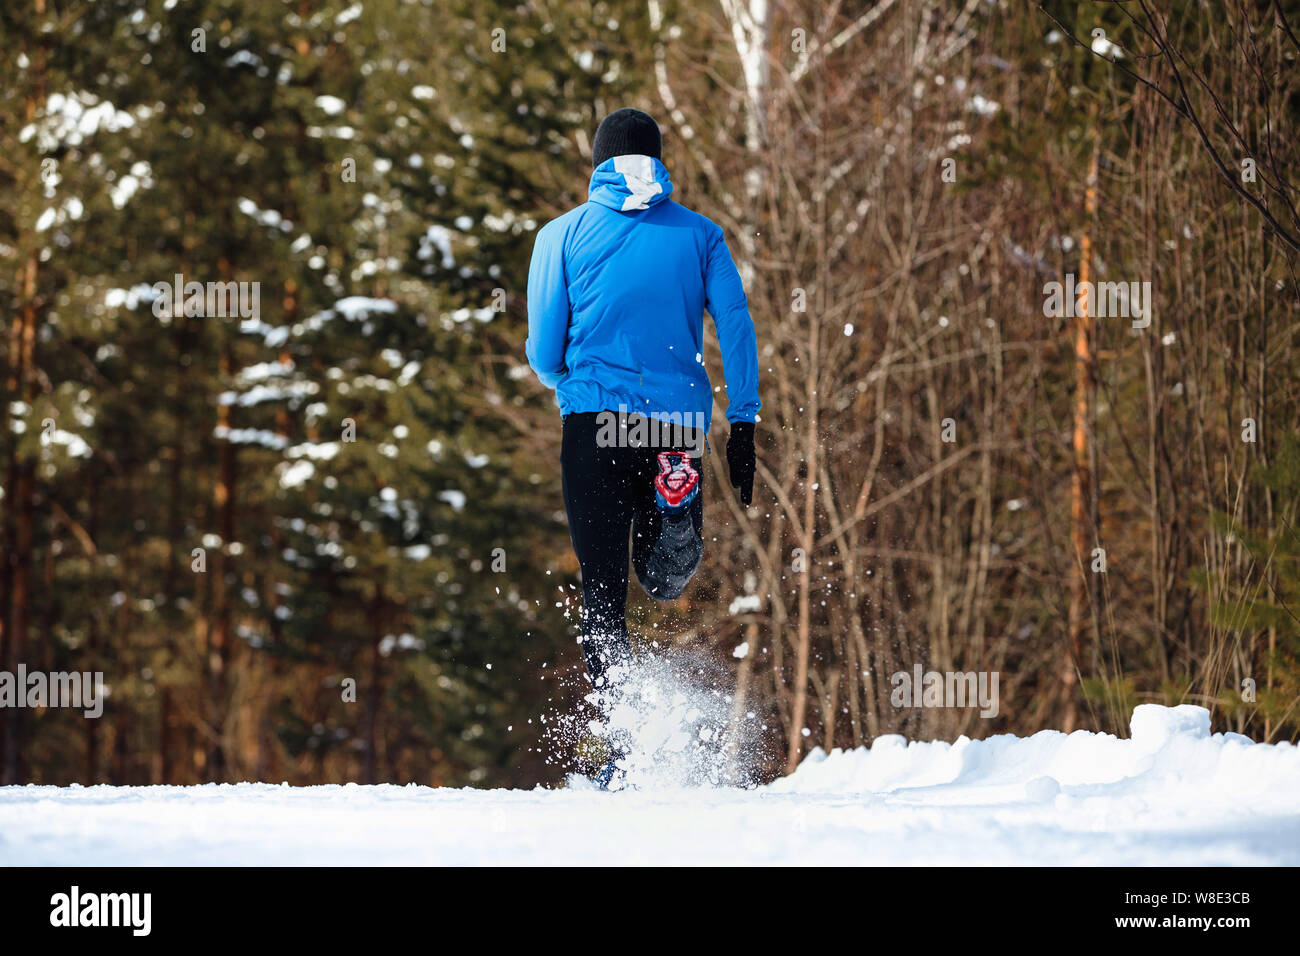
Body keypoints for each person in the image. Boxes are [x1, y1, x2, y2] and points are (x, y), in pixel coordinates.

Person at [525, 108, 760, 785]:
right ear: (657, 160)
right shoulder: (702, 235)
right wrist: (743, 421)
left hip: (595, 424)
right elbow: (736, 322)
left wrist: (567, 379)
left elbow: (544, 351)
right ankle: (673, 504)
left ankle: (618, 753)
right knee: (662, 579)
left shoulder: (560, 235)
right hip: (675, 430)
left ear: (597, 161)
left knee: (603, 592)